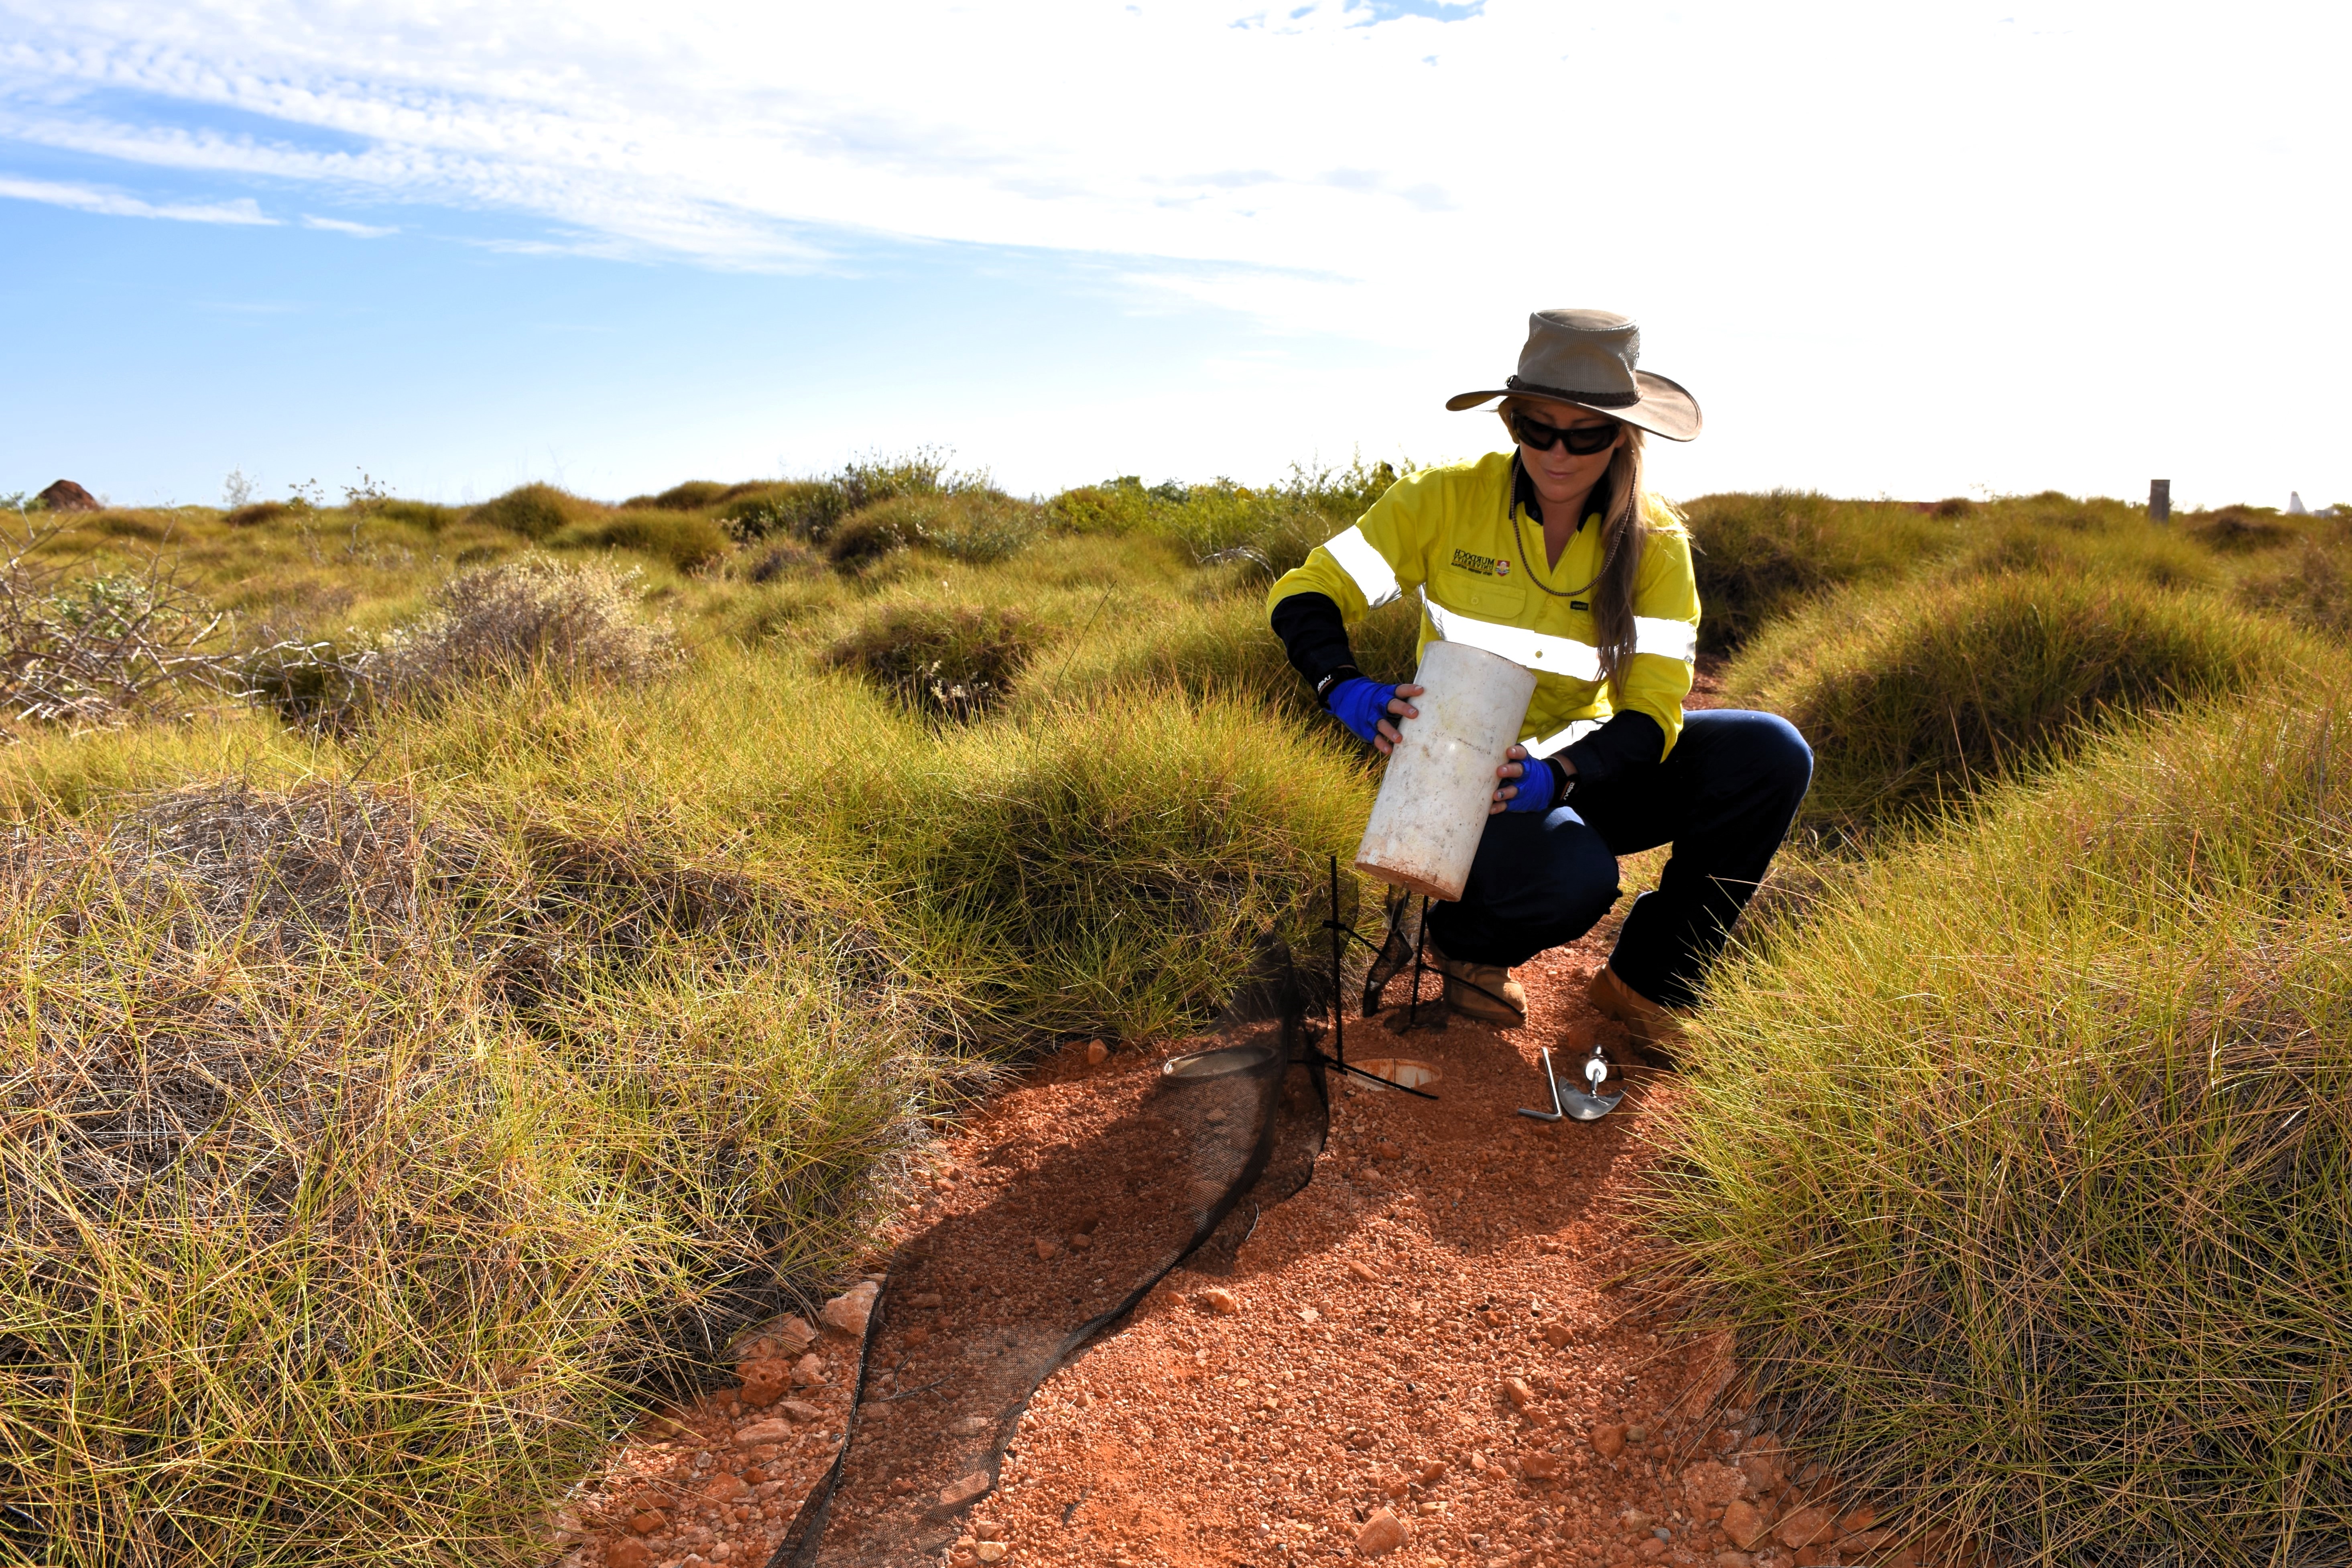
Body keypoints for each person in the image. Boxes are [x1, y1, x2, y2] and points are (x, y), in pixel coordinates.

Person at [1265, 308, 1811, 1061]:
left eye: (1583, 432)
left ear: (1621, 434)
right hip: (1453, 781)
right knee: (1572, 878)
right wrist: (1343, 689)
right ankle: (1458, 942)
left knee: (1770, 753)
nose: (1556, 452)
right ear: (1510, 419)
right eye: (1533, 426)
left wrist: (1557, 777)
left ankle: (1650, 983)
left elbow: (1652, 716)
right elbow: (1305, 592)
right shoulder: (1442, 500)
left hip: (1576, 769)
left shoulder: (1654, 545)